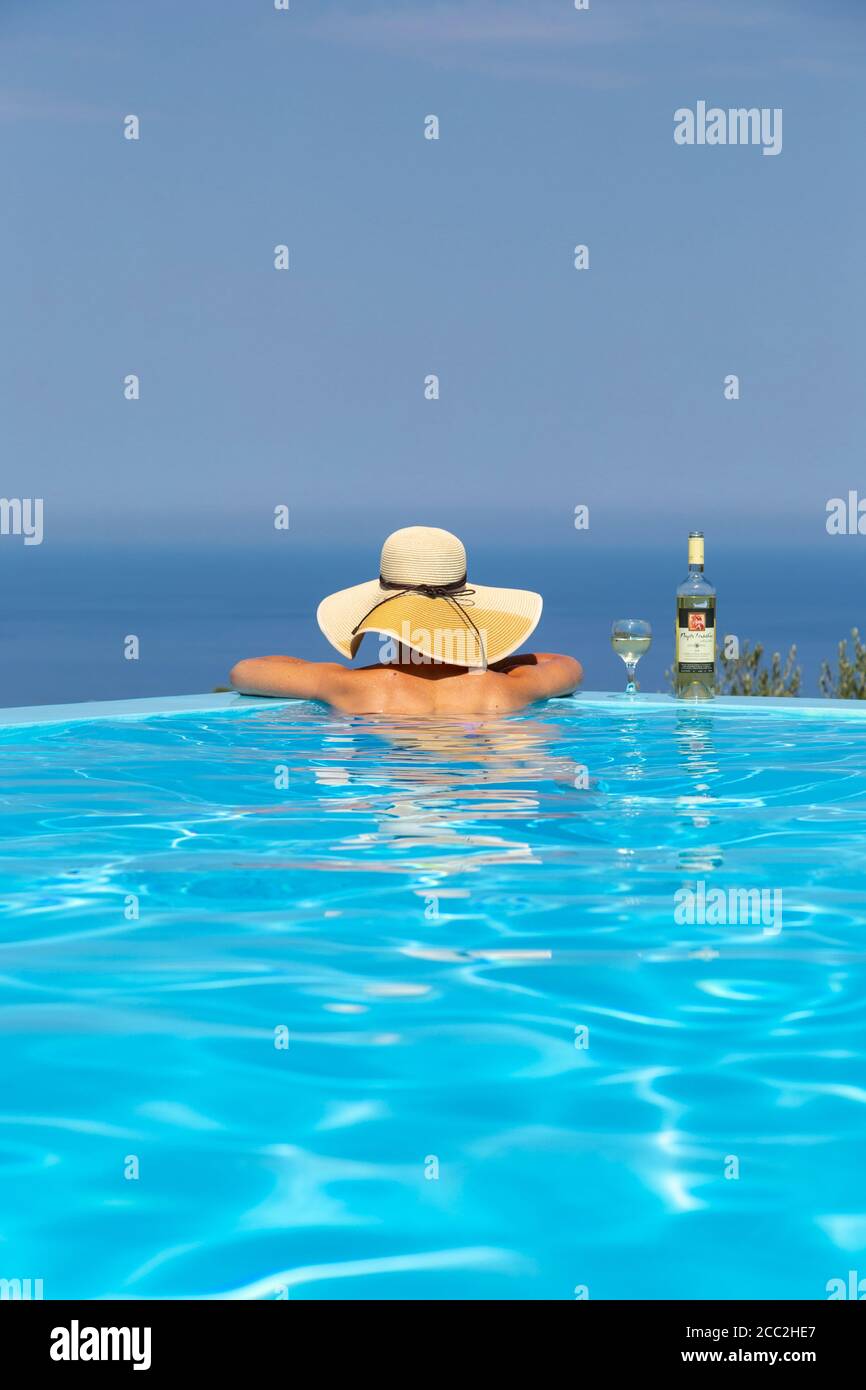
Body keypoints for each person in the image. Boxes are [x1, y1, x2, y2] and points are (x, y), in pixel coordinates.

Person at [230, 525, 582, 715]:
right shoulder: (508, 688)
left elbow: (247, 671)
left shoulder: (349, 685)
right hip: (486, 790)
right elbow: (567, 666)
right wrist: (486, 662)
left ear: (385, 612)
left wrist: (326, 670)